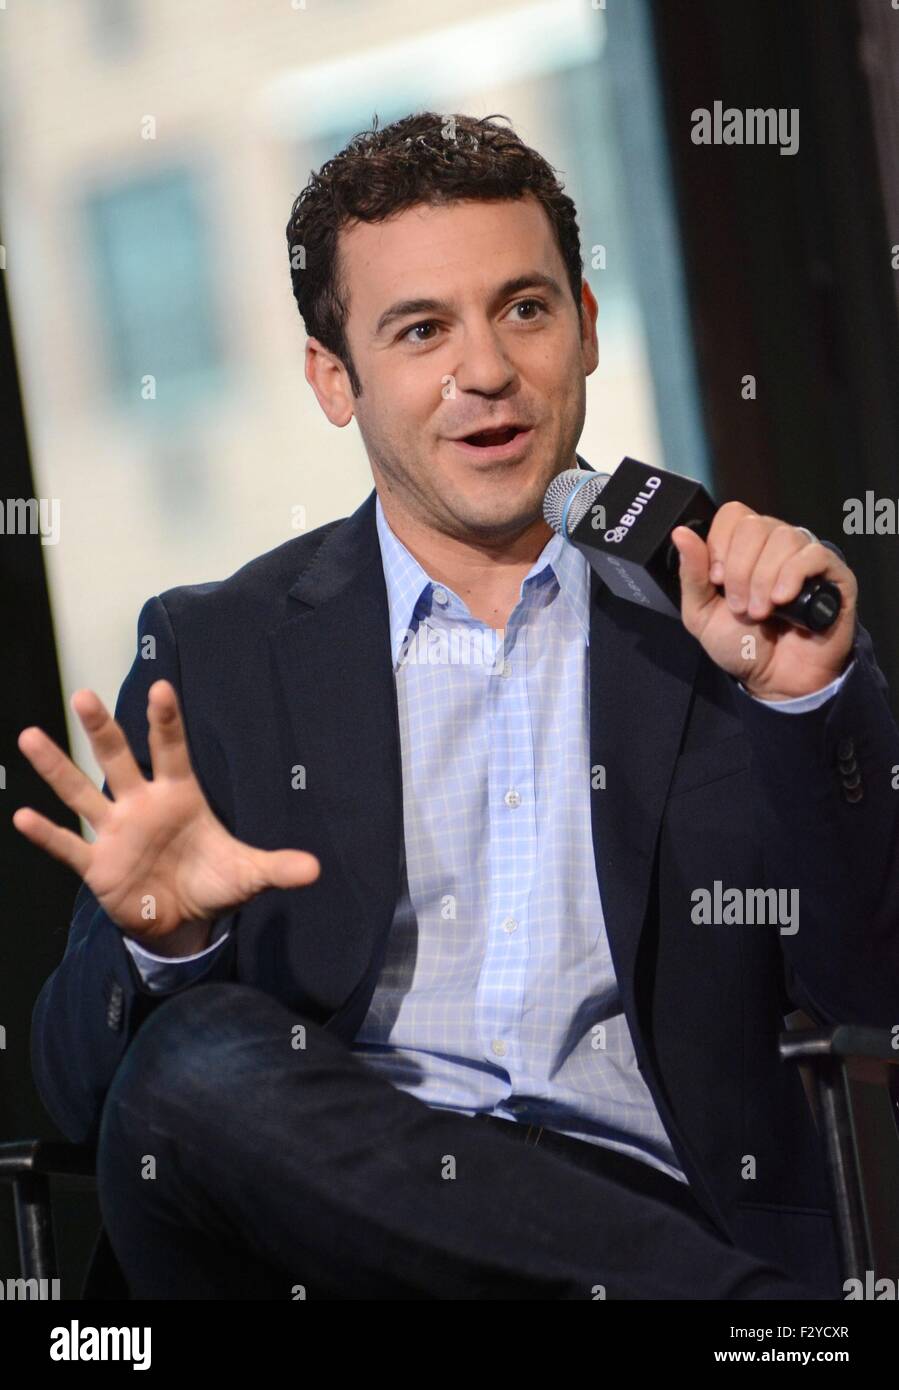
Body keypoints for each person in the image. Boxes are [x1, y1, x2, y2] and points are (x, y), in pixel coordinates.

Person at [19, 112, 899, 1300]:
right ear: (335, 377)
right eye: (421, 329)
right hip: (315, 1242)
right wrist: (165, 948)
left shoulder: (722, 619)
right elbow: (81, 1102)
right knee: (192, 1062)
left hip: (628, 1217)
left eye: (524, 309)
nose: (484, 370)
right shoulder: (217, 650)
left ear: (585, 330)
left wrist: (803, 708)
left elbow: (875, 999)